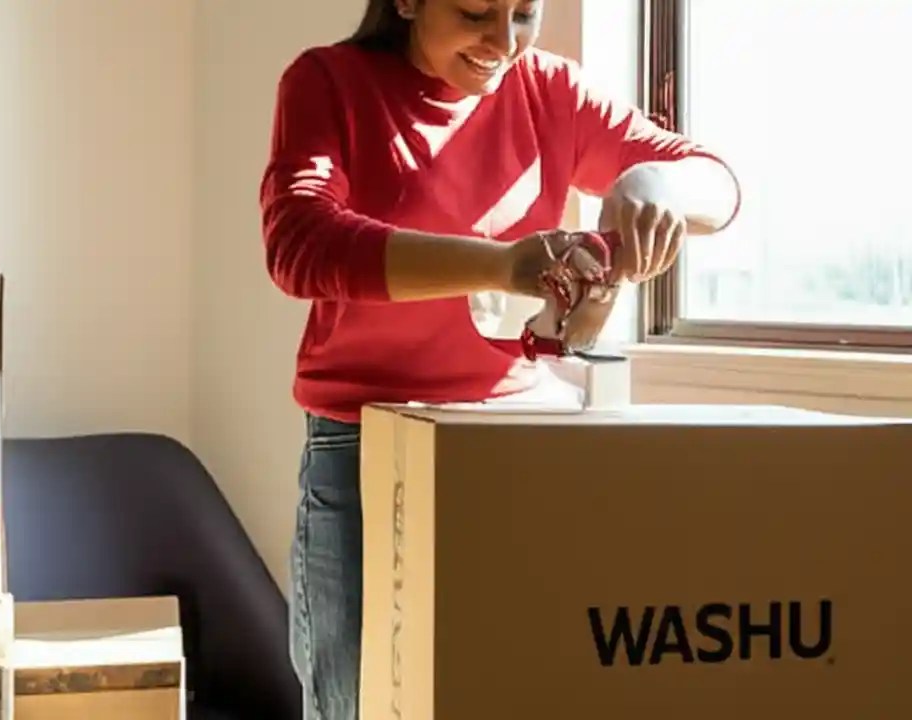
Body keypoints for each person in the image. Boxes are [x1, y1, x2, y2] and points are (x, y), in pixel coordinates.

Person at [257, 0, 741, 718]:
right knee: (356, 703)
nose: (502, 41)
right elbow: (300, 244)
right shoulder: (327, 82)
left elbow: (721, 185)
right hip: (365, 448)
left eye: (524, 13)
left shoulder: (551, 90)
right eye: (478, 11)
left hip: (516, 446)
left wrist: (653, 183)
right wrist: (498, 265)